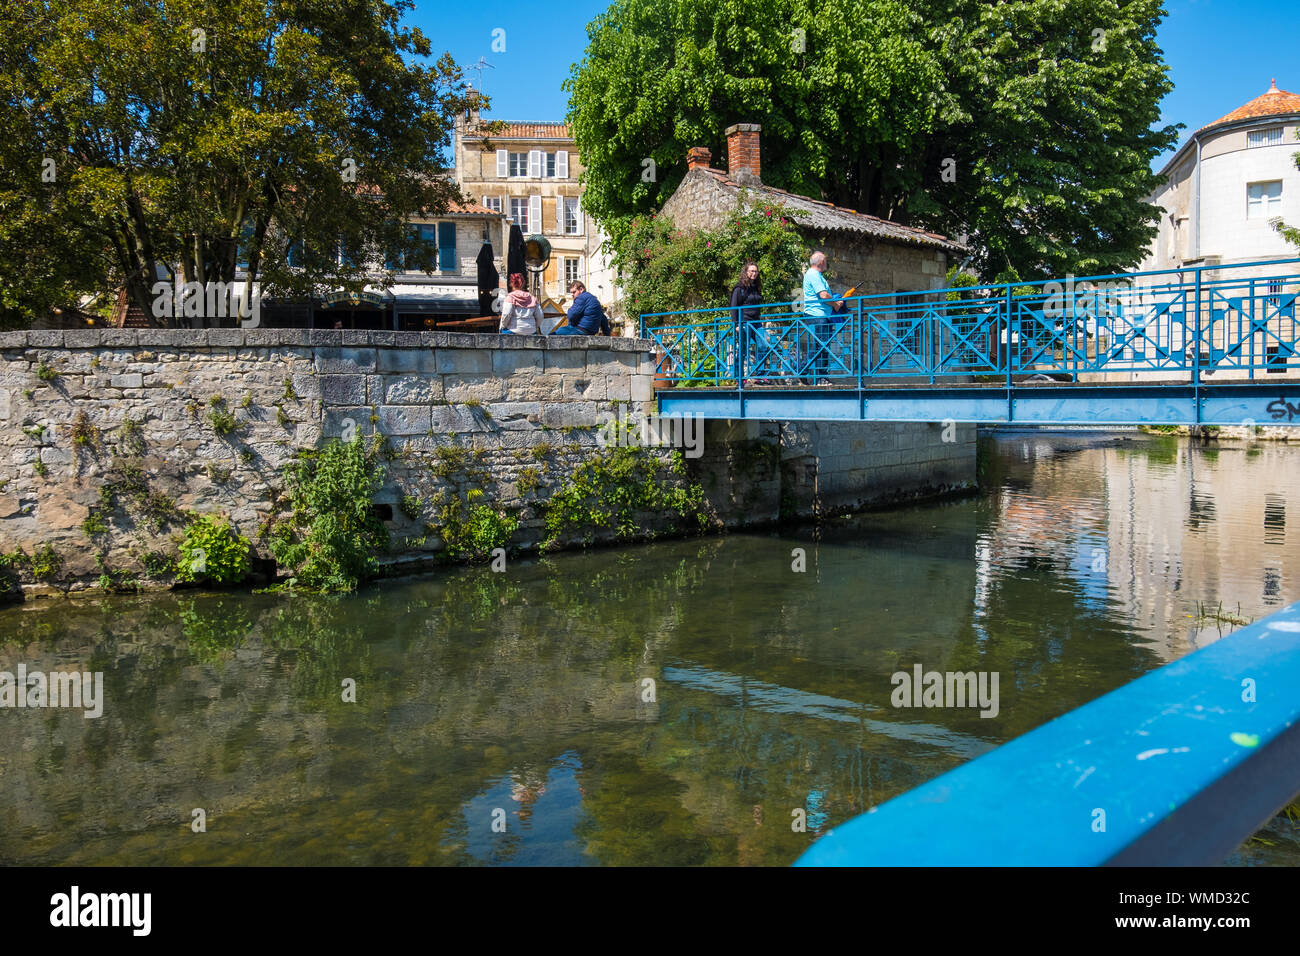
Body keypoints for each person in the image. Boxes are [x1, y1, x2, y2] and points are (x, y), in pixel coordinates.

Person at [730, 261, 793, 383]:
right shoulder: (739, 288)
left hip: (756, 322)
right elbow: (733, 307)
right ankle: (739, 377)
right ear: (746, 272)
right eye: (751, 271)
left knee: (763, 346)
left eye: (755, 271)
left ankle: (759, 375)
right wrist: (736, 324)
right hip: (744, 322)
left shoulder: (756, 287)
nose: (754, 273)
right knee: (743, 349)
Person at [802, 251, 845, 384]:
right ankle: (803, 369)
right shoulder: (814, 274)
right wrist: (836, 304)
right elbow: (824, 295)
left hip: (821, 315)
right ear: (821, 262)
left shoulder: (815, 275)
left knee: (822, 346)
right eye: (825, 260)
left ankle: (821, 376)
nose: (826, 263)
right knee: (821, 346)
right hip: (817, 315)